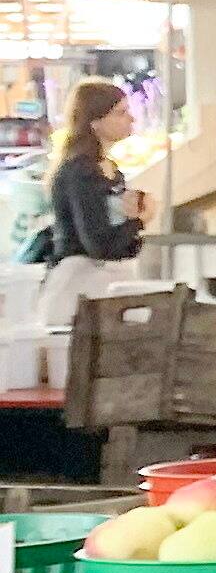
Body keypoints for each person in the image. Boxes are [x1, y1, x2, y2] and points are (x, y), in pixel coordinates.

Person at [34, 77, 148, 380]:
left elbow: (122, 243)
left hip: (106, 284)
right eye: (121, 113)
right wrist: (137, 221)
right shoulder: (80, 171)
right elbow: (96, 242)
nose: (131, 119)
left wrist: (134, 225)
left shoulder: (111, 169)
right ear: (96, 121)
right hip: (77, 289)